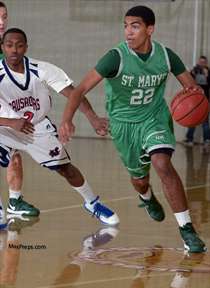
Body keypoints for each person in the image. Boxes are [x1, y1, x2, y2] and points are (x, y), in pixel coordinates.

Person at [59, 5, 207, 252]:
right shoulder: (115, 57)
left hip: (154, 117)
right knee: (139, 180)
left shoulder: (167, 56)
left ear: (150, 29)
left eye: (135, 26)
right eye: (126, 26)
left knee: (162, 163)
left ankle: (187, 230)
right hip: (124, 125)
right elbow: (80, 89)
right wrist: (67, 119)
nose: (128, 32)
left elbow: (191, 89)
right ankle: (146, 196)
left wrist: (197, 97)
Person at [0, 27, 119, 226]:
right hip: (4, 127)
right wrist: (10, 122)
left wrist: (92, 117)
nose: (14, 50)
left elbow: (74, 93)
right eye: (9, 45)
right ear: (2, 47)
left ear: (26, 48)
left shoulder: (42, 69)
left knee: (66, 169)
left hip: (35, 127)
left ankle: (92, 203)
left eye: (19, 46)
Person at [0, 1, 38, 224]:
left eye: (4, 16)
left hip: (8, 108)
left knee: (14, 155)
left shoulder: (8, 45)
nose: (2, 21)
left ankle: (15, 202)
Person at [183, 55, 210, 148]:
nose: (202, 64)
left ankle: (207, 140)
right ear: (198, 62)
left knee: (205, 122)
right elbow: (189, 82)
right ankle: (189, 139)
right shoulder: (195, 70)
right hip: (194, 101)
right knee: (192, 120)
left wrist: (207, 75)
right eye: (200, 62)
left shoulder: (208, 71)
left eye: (203, 62)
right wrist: (191, 73)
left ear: (206, 63)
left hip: (204, 100)